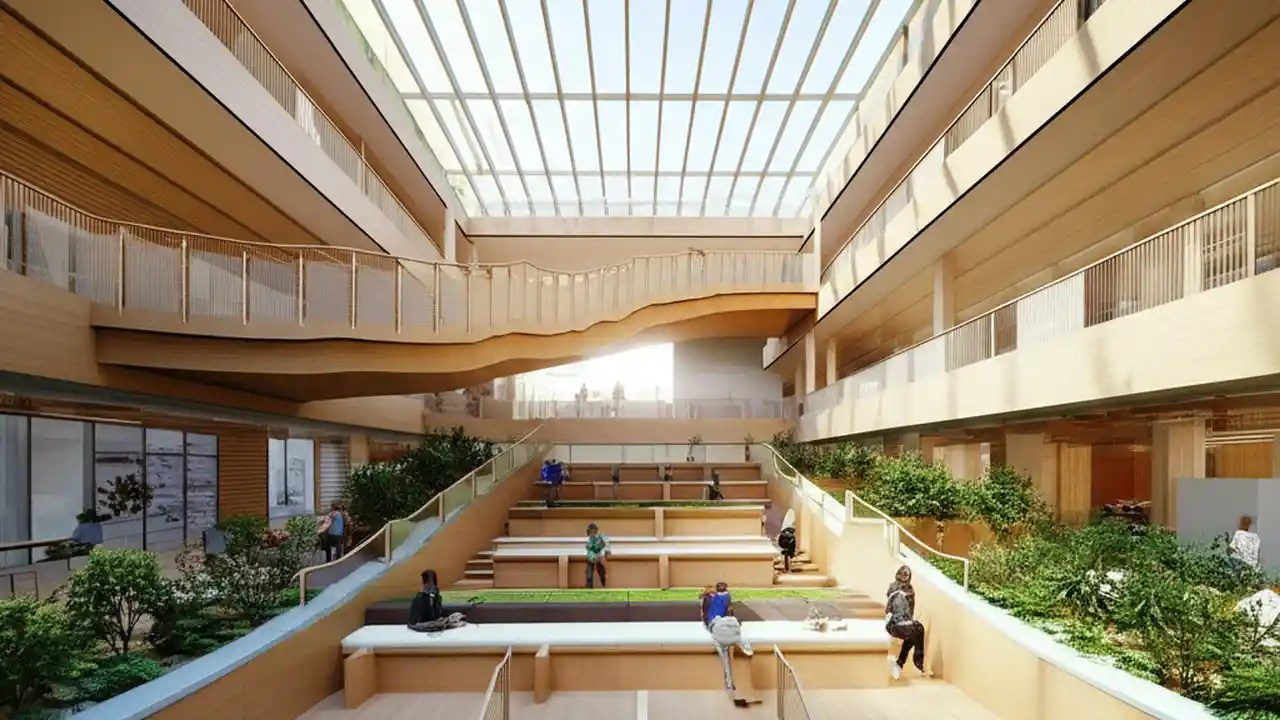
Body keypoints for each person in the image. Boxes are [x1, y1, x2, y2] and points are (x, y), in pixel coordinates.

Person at [702, 582, 753, 692]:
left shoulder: (708, 599)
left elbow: (705, 616)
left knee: (725, 659)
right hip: (731, 628)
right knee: (740, 646)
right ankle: (732, 683)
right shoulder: (726, 596)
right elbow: (729, 612)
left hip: (719, 629)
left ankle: (729, 684)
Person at [885, 565, 925, 680]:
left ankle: (900, 663)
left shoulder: (892, 588)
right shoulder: (909, 591)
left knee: (912, 634)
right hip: (899, 623)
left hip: (890, 625)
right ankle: (919, 663)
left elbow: (888, 610)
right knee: (918, 629)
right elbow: (909, 613)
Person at [585, 522, 610, 588]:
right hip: (591, 557)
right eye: (590, 531)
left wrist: (605, 554)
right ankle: (589, 587)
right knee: (589, 574)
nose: (591, 533)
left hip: (599, 556)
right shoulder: (590, 538)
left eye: (592, 531)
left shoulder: (602, 537)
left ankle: (603, 585)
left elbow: (606, 545)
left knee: (601, 572)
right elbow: (589, 548)